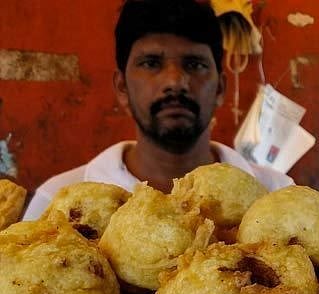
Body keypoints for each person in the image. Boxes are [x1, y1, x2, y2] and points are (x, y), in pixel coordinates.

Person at [24, 0, 292, 220]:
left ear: (220, 88)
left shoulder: (278, 197)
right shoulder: (57, 203)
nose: (175, 82)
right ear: (122, 88)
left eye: (195, 64)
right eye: (151, 63)